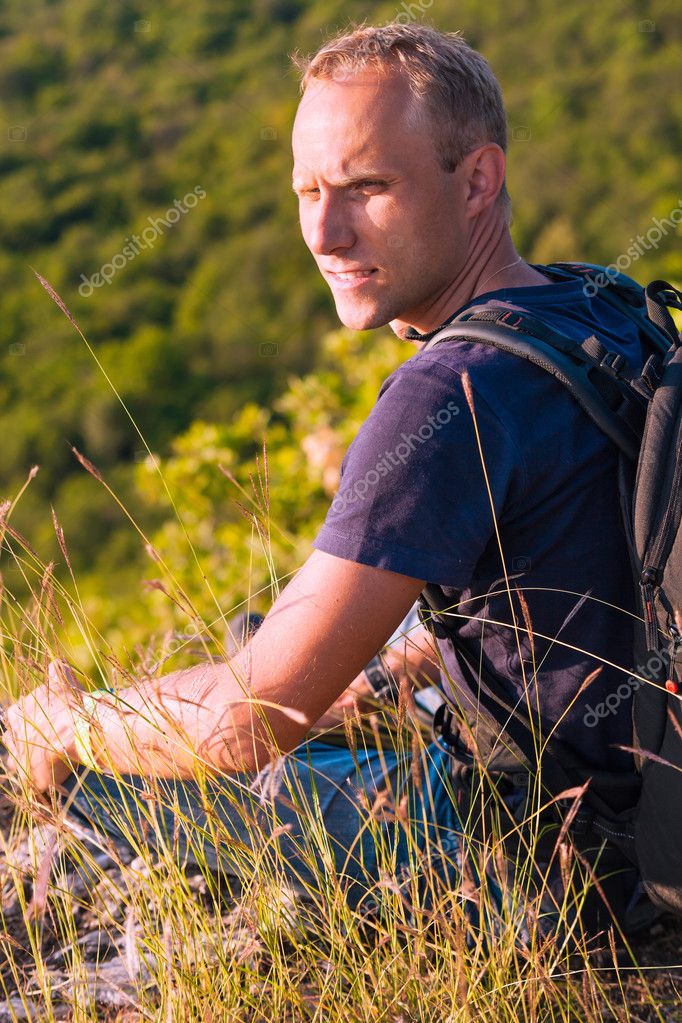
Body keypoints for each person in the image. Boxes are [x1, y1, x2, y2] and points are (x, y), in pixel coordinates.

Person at [2, 22, 645, 938]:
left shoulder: (450, 394)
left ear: (477, 181)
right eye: (308, 190)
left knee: (99, 768)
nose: (323, 232)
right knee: (276, 655)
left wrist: (68, 724)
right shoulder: (604, 306)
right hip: (640, 801)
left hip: (547, 870)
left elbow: (246, 721)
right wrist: (375, 681)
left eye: (367, 187)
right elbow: (571, 584)